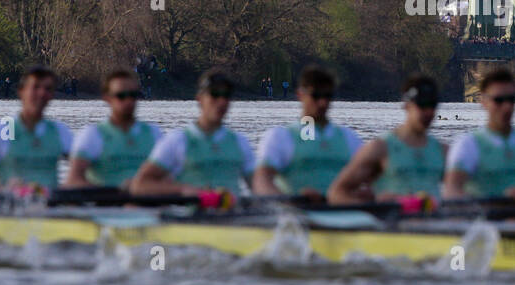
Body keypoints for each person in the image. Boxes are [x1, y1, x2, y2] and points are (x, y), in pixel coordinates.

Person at [131, 69, 255, 199]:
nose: (221, 101)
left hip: (234, 215)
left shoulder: (240, 142)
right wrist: (183, 190)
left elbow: (261, 186)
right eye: (215, 94)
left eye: (226, 95)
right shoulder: (177, 140)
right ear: (200, 99)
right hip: (190, 215)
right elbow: (139, 185)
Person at [442, 66, 515, 204]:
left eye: (511, 99)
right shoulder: (468, 145)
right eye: (499, 100)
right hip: (485, 221)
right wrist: (500, 201)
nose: (506, 107)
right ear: (483, 101)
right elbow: (451, 191)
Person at [328, 74, 446, 204]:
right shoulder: (379, 148)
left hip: (434, 222)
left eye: (432, 105)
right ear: (406, 105)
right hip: (391, 221)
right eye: (422, 105)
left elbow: (461, 191)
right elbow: (336, 193)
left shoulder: (443, 151)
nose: (428, 112)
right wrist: (373, 202)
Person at [253, 66, 362, 201]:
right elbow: (261, 181)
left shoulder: (349, 138)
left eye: (327, 96)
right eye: (316, 96)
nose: (322, 103)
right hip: (294, 214)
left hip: (342, 214)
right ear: (300, 95)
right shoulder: (280, 137)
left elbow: (369, 183)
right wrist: (287, 200)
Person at [0, 65, 73, 192]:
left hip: (50, 208)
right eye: (35, 87)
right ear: (21, 91)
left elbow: (83, 176)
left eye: (48, 89)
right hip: (11, 206)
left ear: (52, 95)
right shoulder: (3, 130)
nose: (42, 93)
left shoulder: (60, 131)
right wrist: (2, 190)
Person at [64, 69, 162, 188]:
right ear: (107, 98)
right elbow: (73, 181)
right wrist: (117, 190)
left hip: (145, 204)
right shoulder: (92, 135)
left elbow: (171, 179)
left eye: (133, 95)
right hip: (106, 203)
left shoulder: (153, 133)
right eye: (121, 96)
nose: (128, 101)